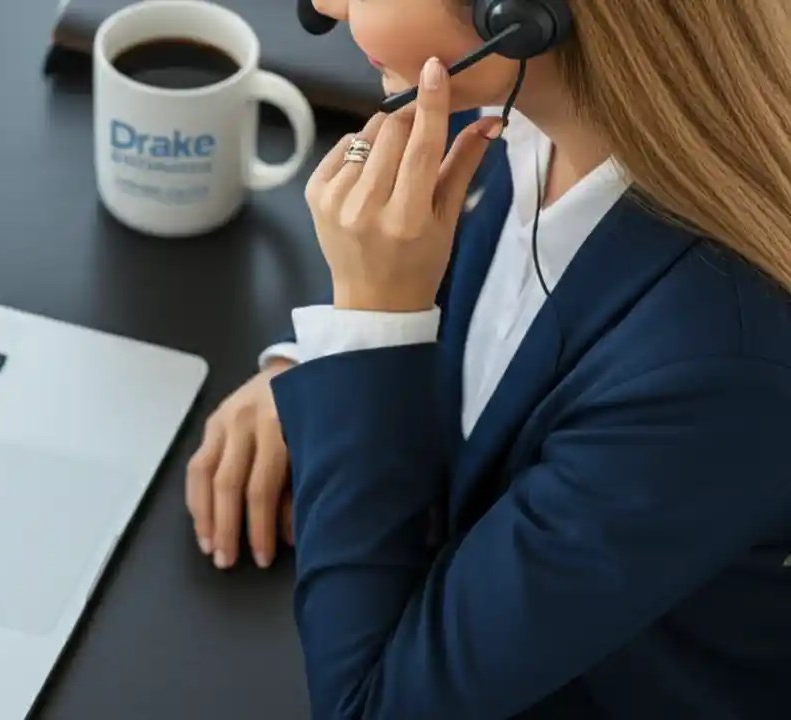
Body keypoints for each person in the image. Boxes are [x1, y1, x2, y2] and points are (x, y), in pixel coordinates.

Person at [185, 0, 791, 717]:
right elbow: (470, 290)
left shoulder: (713, 370)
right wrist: (315, 368)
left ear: (519, 11)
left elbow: (368, 708)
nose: (324, 5)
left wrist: (366, 328)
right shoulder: (521, 108)